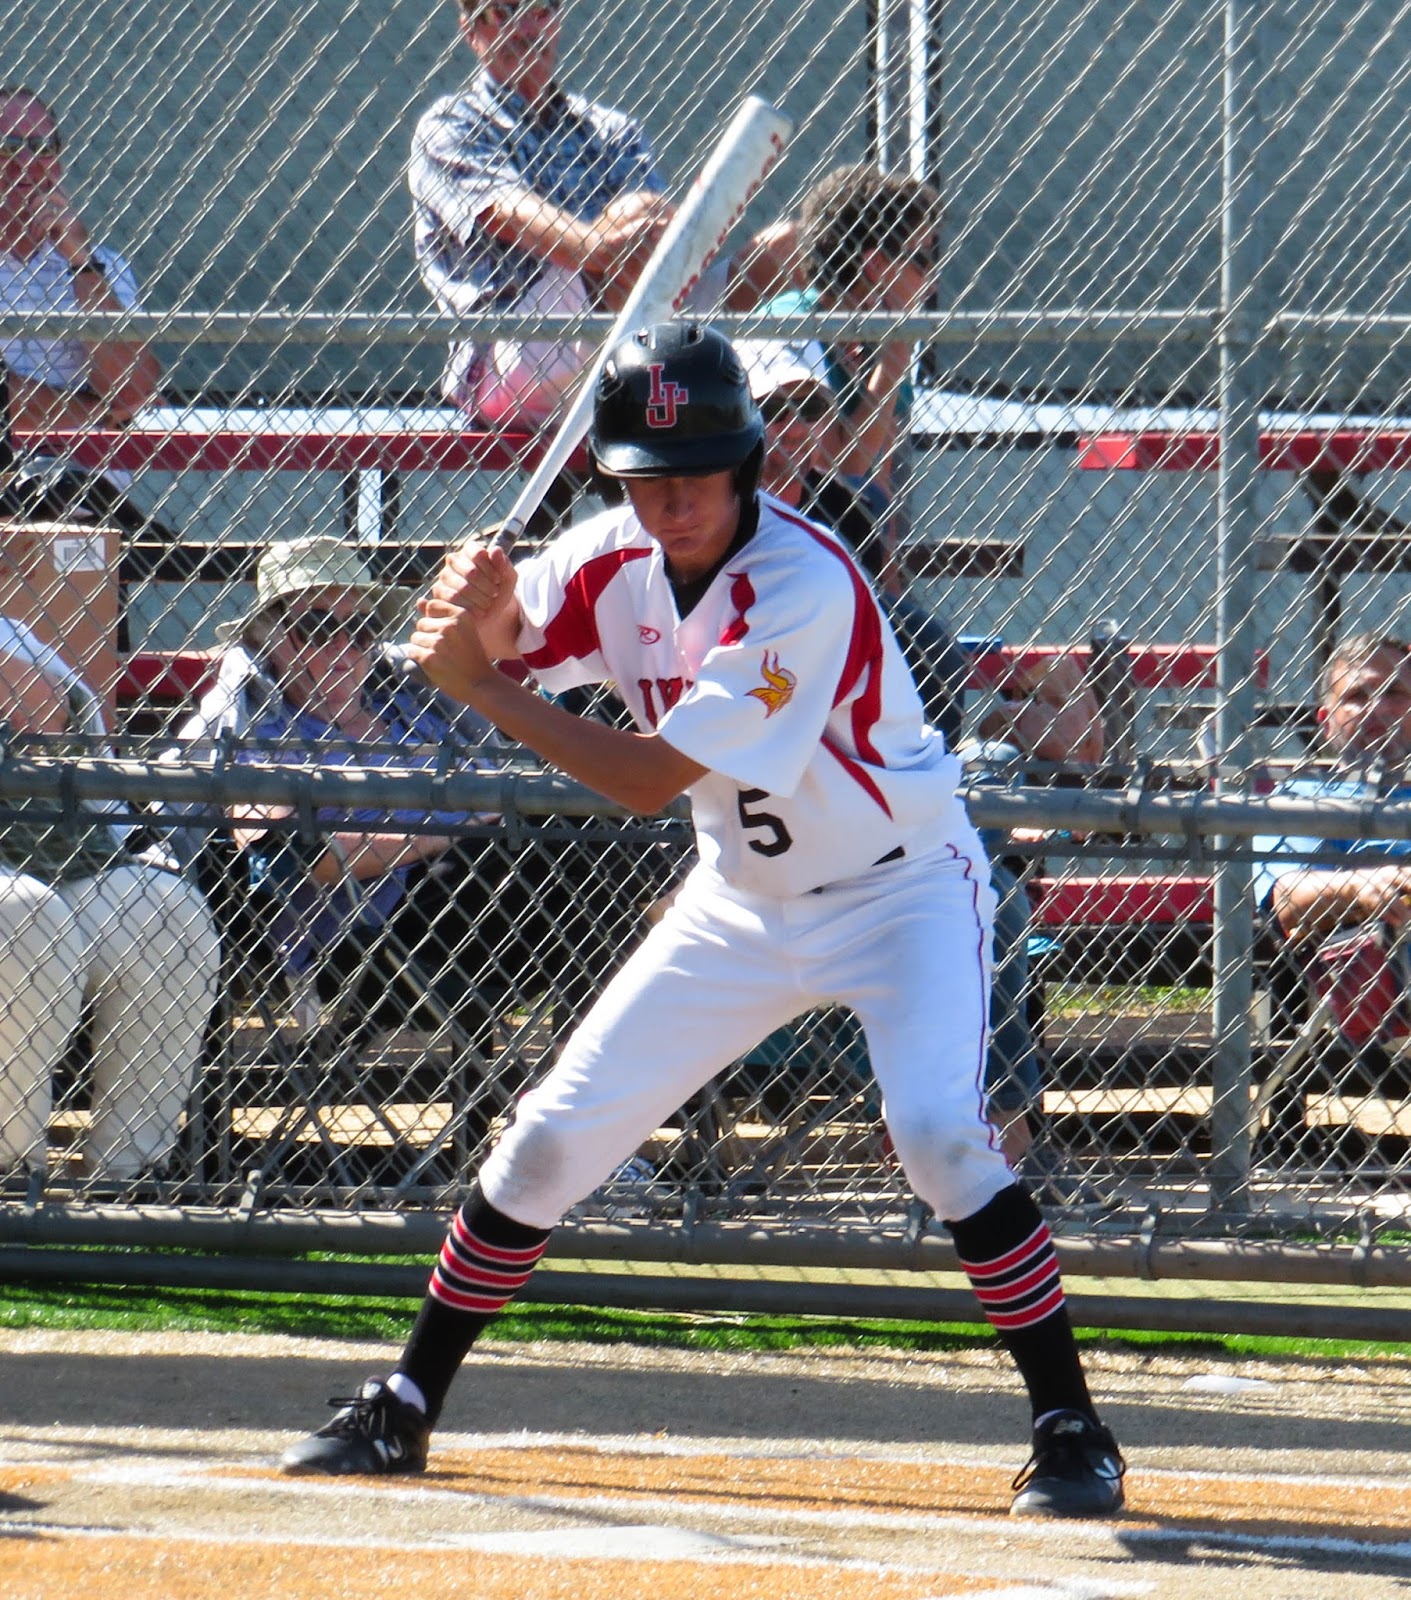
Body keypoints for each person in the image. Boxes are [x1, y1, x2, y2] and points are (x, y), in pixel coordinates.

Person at [277, 320, 1126, 1520]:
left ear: (747, 464)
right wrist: (475, 614)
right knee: (546, 1143)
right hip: (740, 900)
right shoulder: (608, 555)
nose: (674, 503)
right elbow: (509, 638)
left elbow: (642, 779)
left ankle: (1072, 1426)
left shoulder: (800, 582)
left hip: (900, 892)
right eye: (648, 478)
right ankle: (405, 1400)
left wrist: (479, 683)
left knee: (940, 1134)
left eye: (700, 474)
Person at [409, 0, 789, 433]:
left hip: (634, 328)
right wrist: (596, 247)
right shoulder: (451, 124)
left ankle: (801, 426)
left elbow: (661, 236)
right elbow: (506, 210)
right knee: (635, 216)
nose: (525, 27)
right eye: (503, 12)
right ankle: (663, 372)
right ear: (470, 29)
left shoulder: (610, 129)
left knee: (787, 248)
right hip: (511, 355)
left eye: (540, 10)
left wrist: (657, 240)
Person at [0, 649, 218, 1187]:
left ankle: (128, 1174)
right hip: (23, 896)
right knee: (26, 914)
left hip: (68, 862)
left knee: (168, 912)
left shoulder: (19, 638)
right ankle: (13, 1171)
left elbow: (53, 720)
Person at [755, 163, 942, 529]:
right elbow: (839, 469)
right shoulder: (791, 324)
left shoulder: (876, 338)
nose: (932, 281)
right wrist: (897, 352)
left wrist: (884, 571)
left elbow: (877, 486)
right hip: (783, 529)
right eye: (922, 259)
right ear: (876, 264)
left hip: (840, 535)